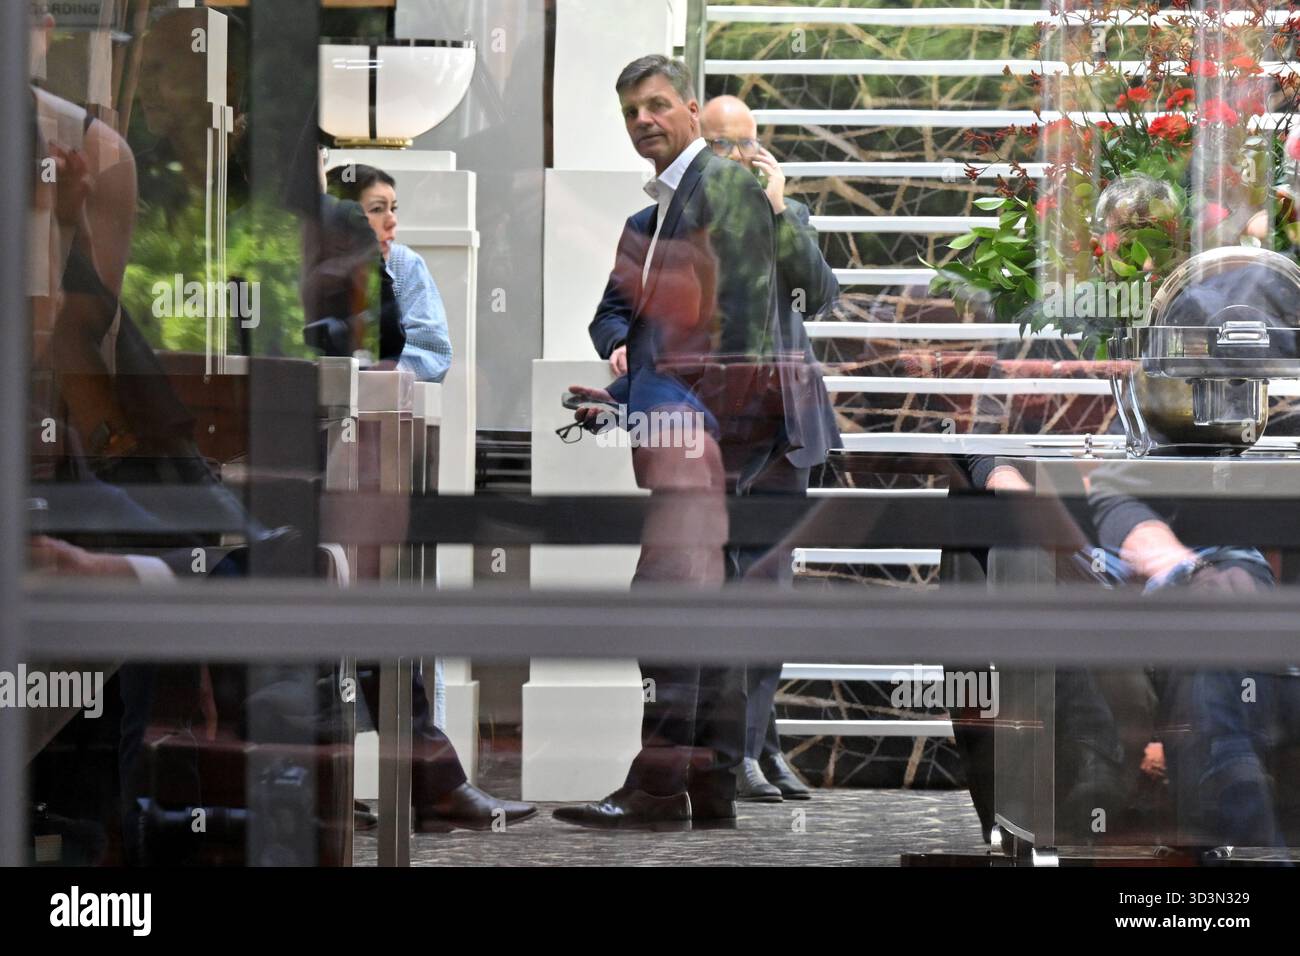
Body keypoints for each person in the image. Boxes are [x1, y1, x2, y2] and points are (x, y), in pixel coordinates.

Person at [555, 55, 788, 830]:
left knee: (664, 610)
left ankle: (657, 789)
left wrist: (708, 434)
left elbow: (743, 334)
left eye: (657, 106)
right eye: (631, 113)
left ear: (690, 109)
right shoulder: (650, 218)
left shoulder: (722, 190)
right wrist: (626, 370)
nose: (643, 122)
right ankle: (709, 789)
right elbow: (615, 315)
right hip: (684, 439)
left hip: (709, 447)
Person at [325, 163, 453, 383]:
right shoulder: (304, 266)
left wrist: (375, 374)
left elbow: (433, 352)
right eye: (377, 209)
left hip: (385, 406)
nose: (392, 221)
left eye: (393, 208)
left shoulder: (405, 264)